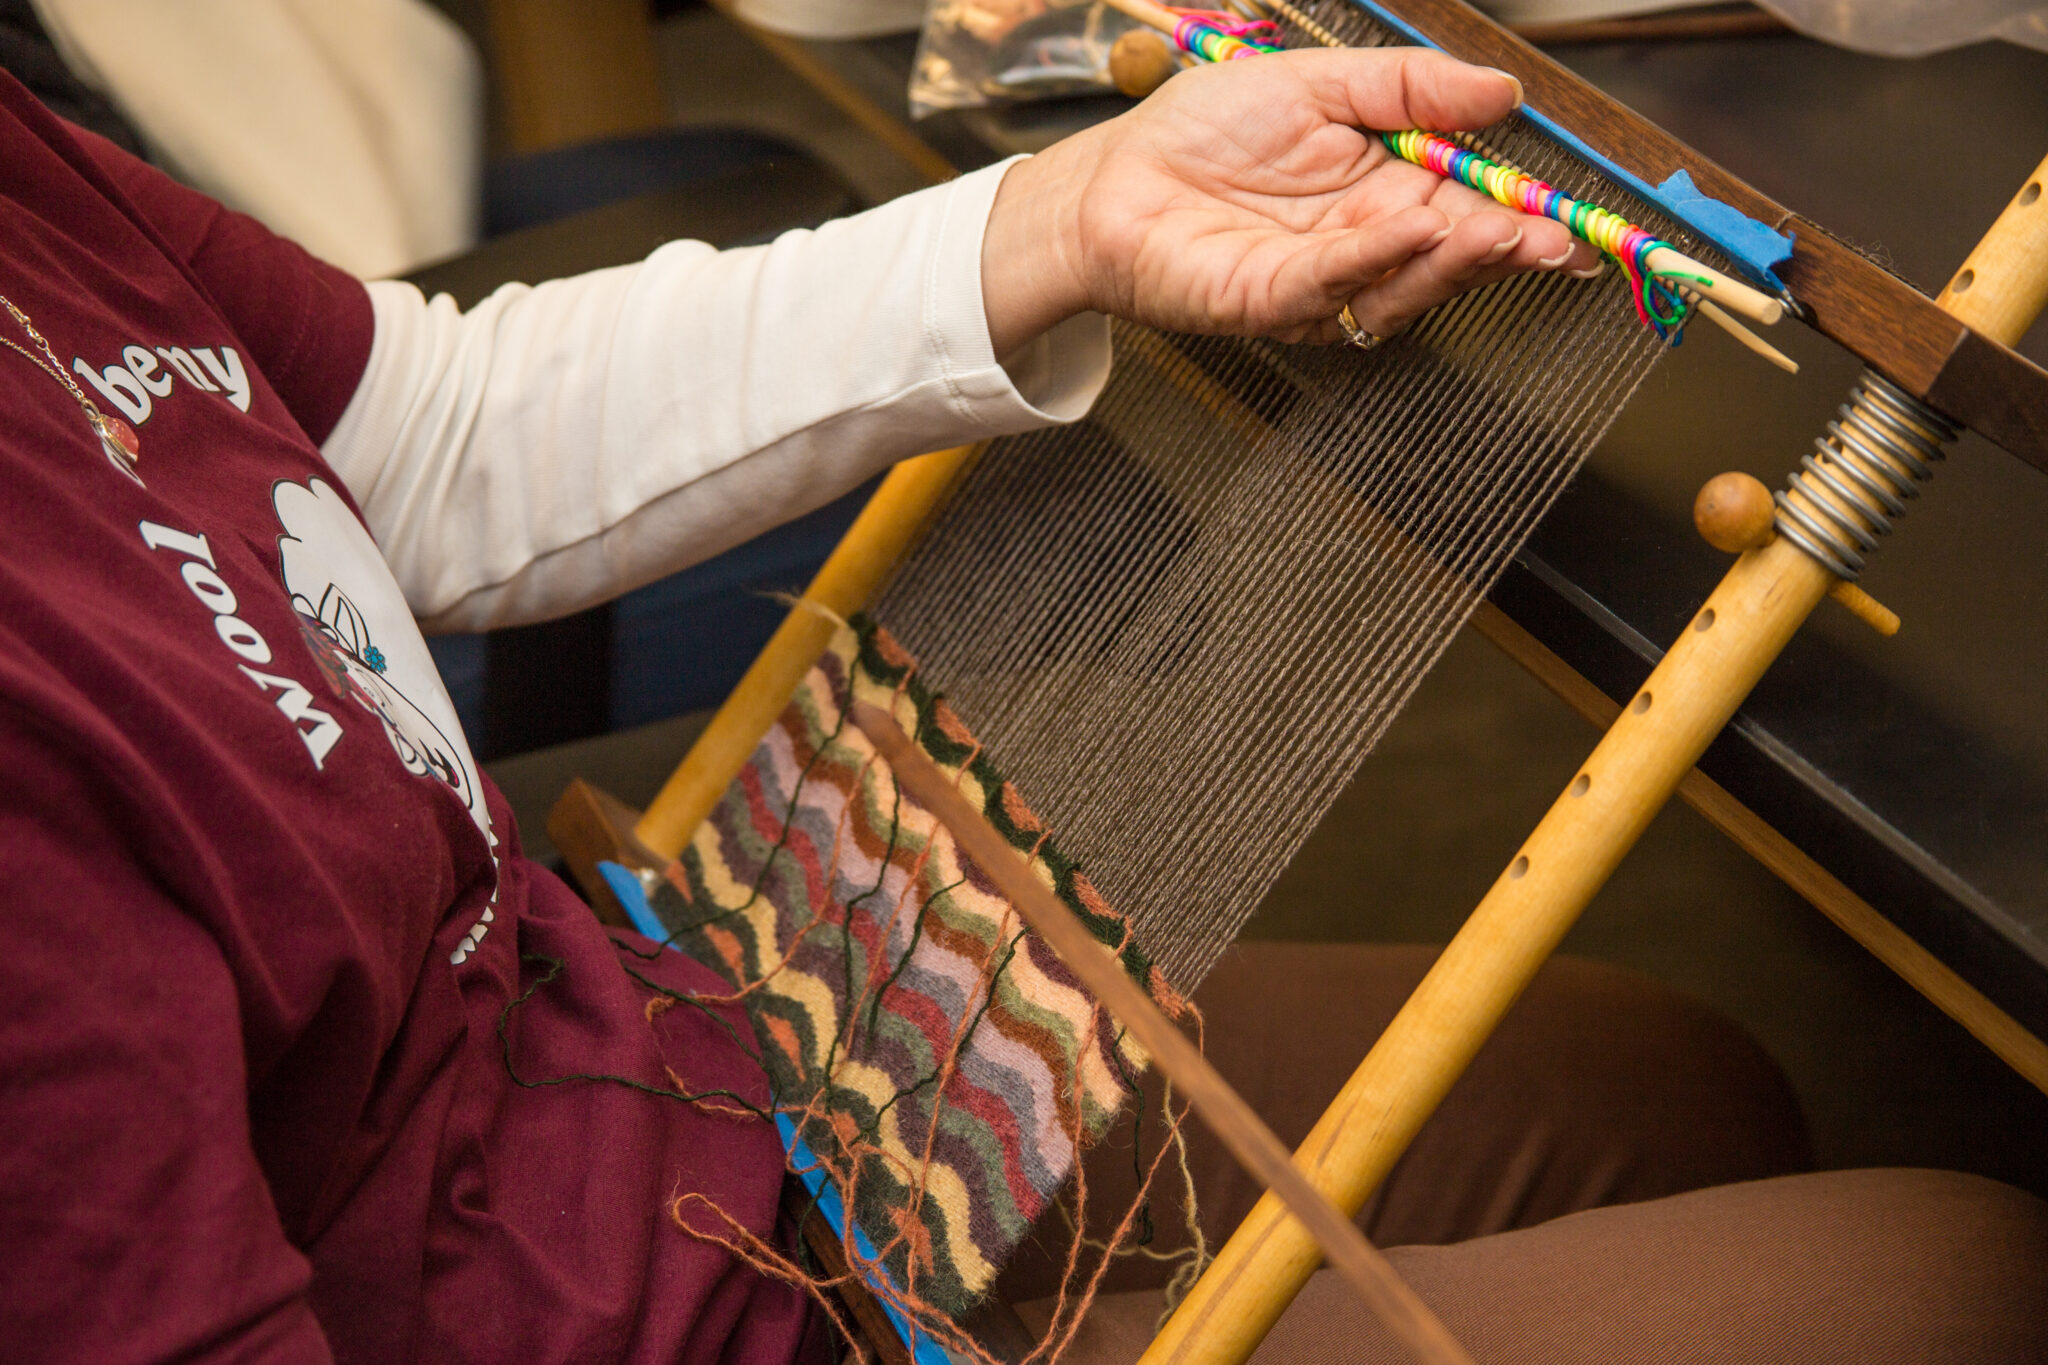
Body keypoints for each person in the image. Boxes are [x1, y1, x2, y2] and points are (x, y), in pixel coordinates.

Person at [0, 41, 2039, 1365]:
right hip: (667, 1302)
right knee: (1959, 1279)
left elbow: (416, 433)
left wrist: (1069, 215)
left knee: (1668, 1087)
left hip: (647, 1072)